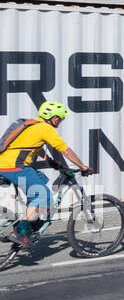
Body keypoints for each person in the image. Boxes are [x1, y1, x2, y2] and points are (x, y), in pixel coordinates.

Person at [0, 101, 92, 246]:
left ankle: (31, 218)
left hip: (5, 164)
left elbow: (36, 146)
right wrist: (83, 166)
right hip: (15, 167)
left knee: (41, 179)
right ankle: (21, 231)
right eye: (60, 118)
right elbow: (65, 150)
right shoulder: (45, 129)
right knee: (43, 196)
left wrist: (50, 161)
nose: (61, 121)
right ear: (53, 117)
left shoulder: (33, 124)